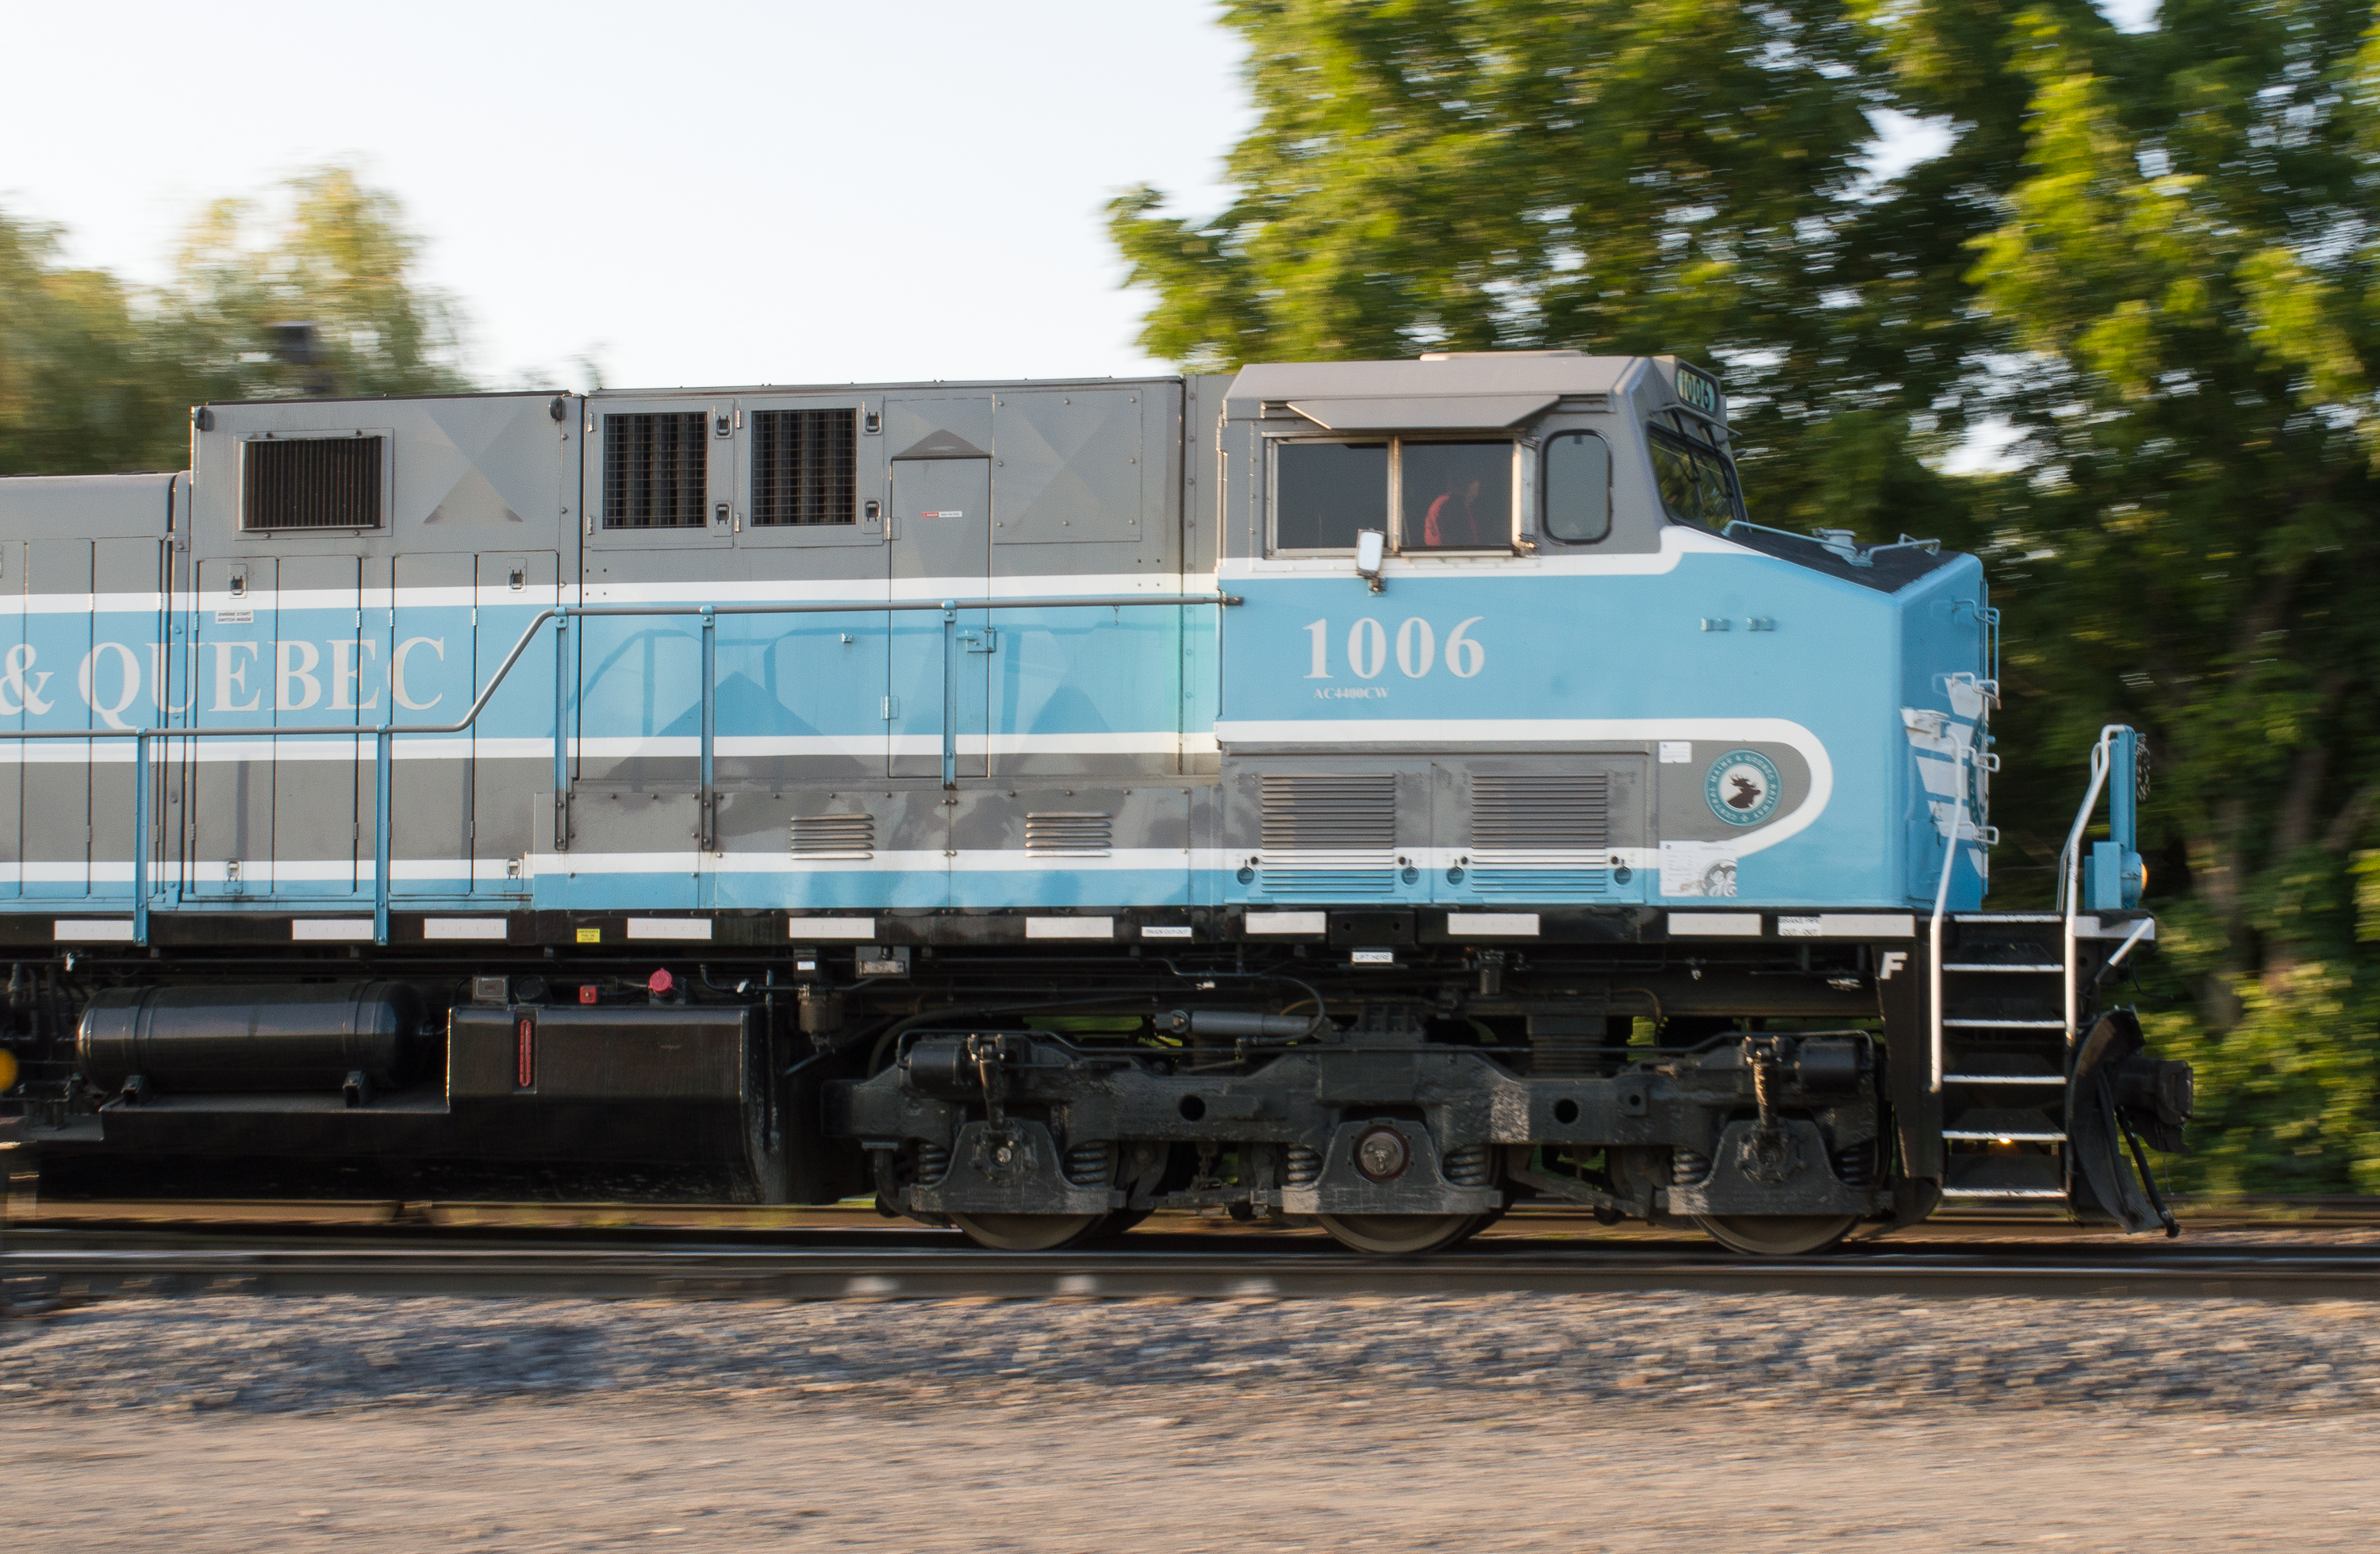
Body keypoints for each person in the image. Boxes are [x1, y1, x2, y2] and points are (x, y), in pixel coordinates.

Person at [1423, 477, 1483, 547]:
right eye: (1473, 491)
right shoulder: (1449, 506)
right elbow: (1458, 540)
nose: (1476, 494)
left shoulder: (1456, 505)